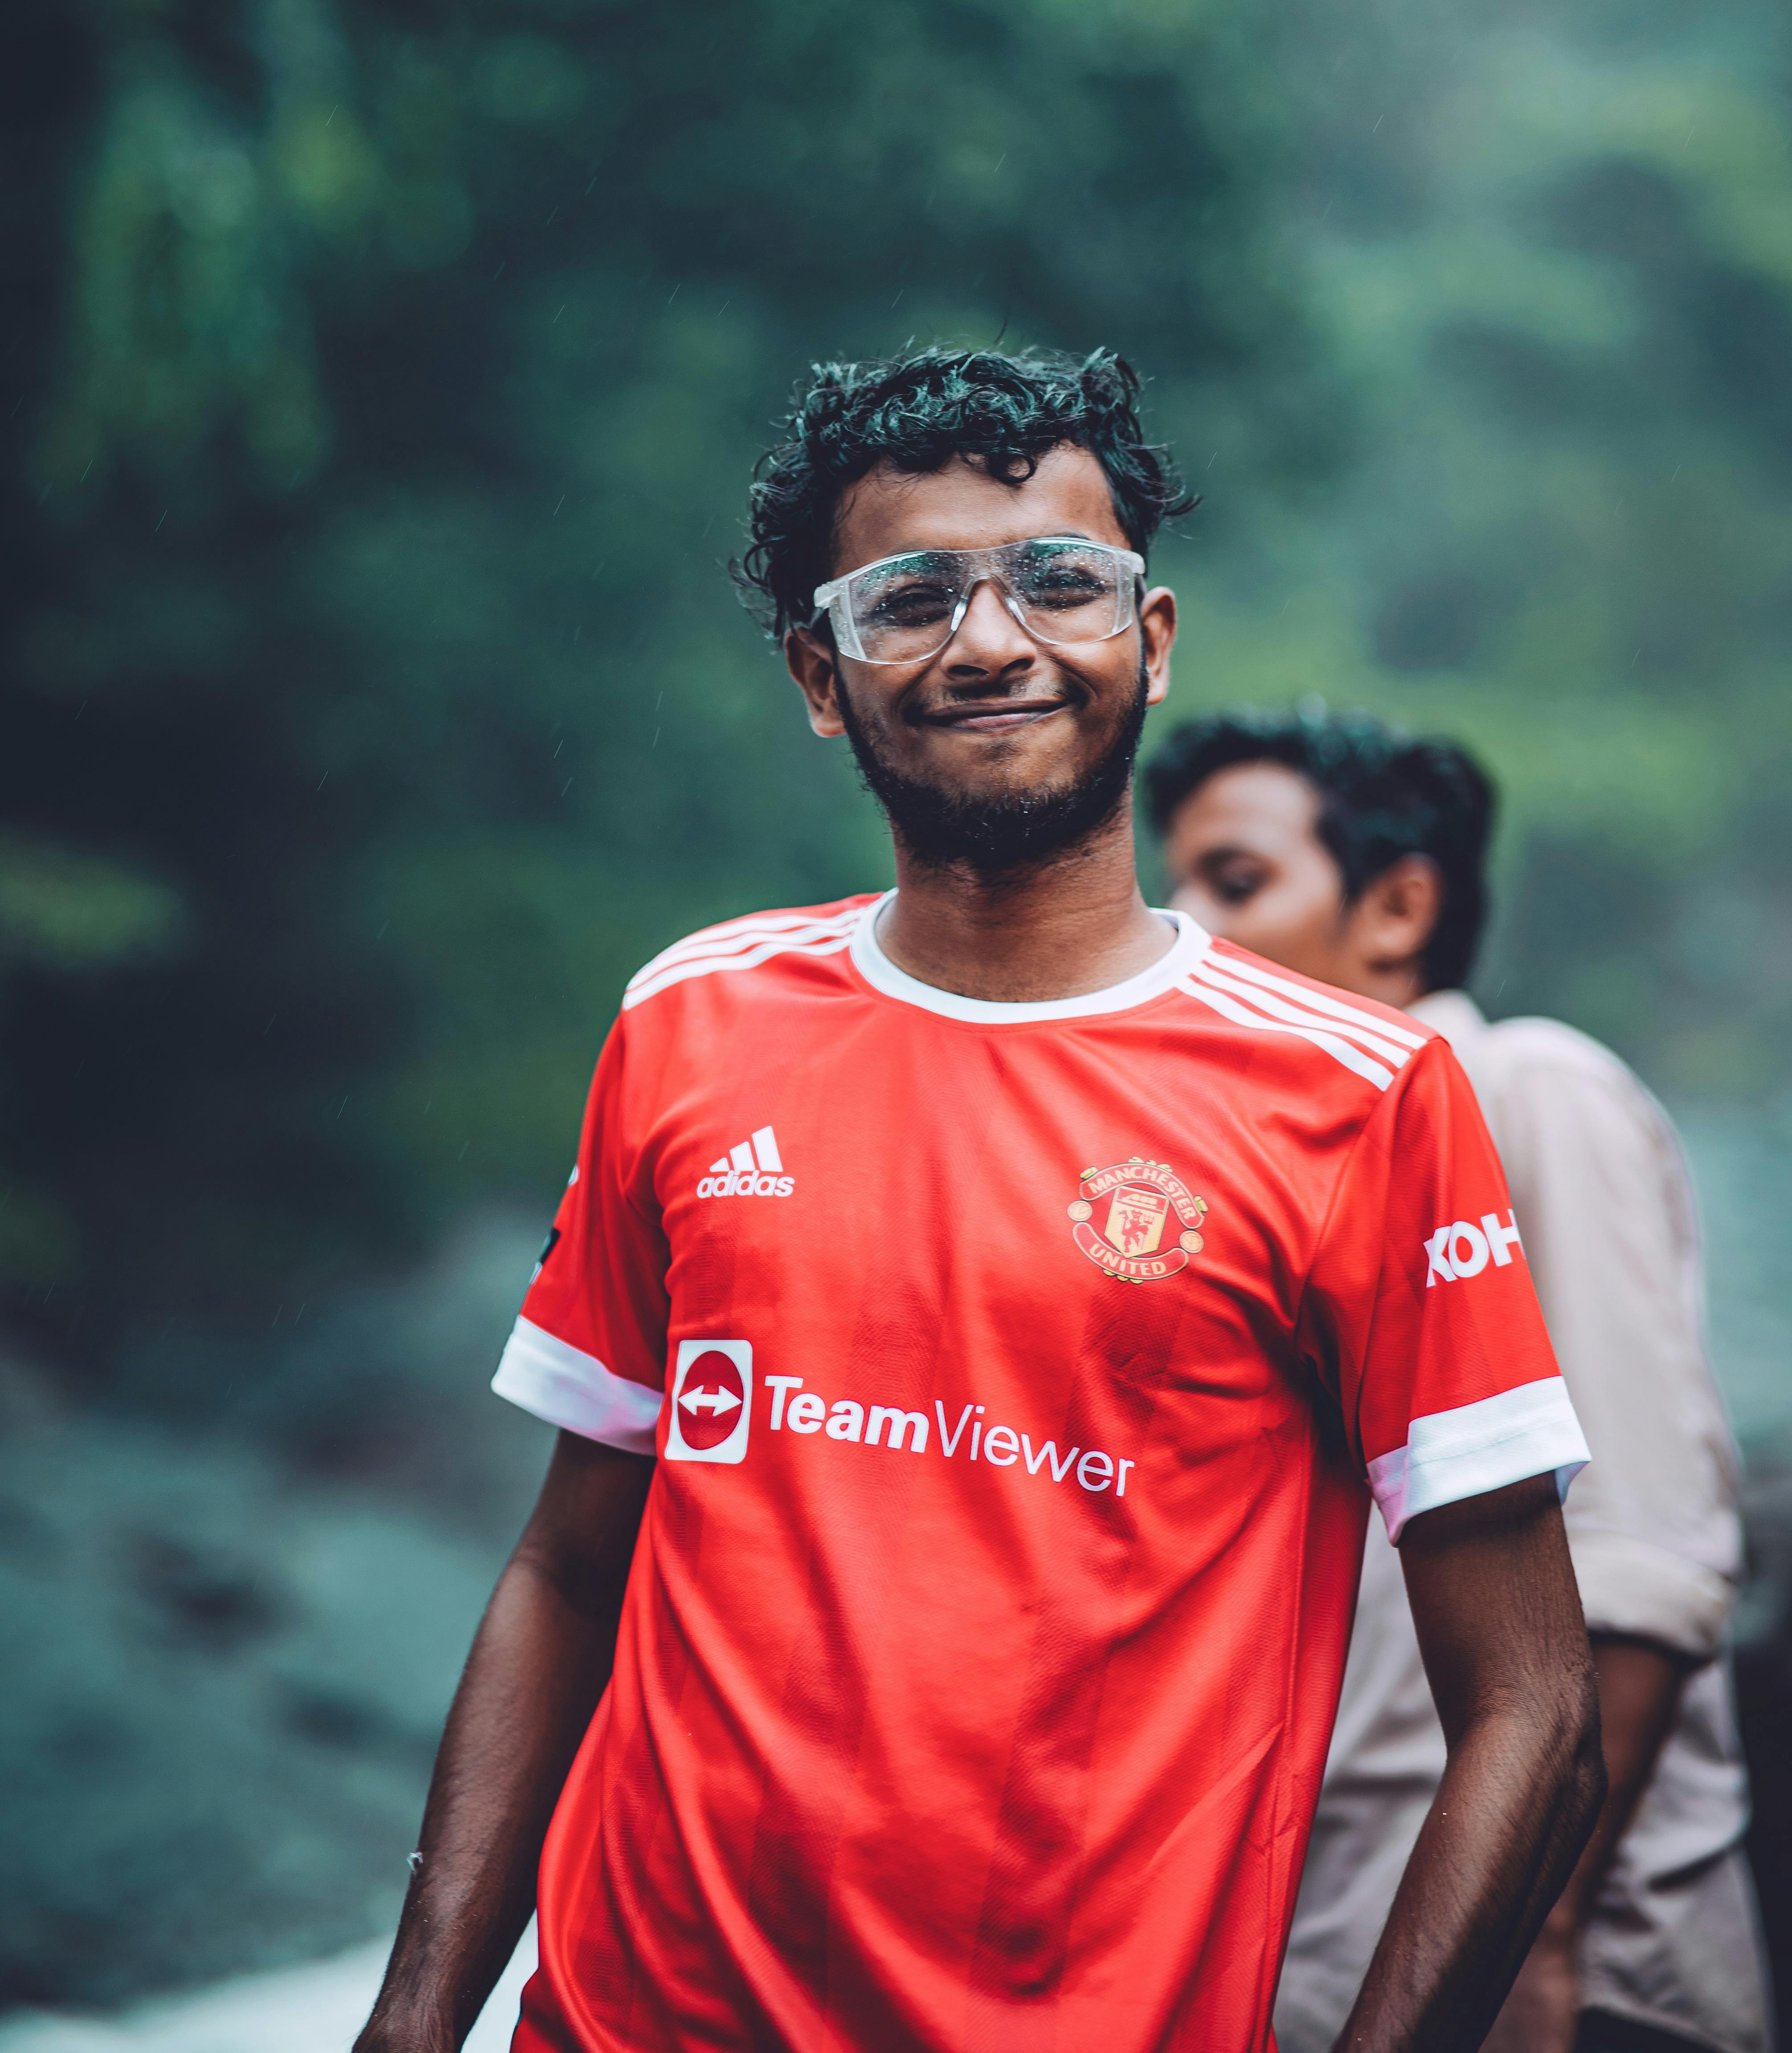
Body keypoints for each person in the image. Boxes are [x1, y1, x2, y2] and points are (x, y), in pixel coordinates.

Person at [356, 351, 1604, 2053]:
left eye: (1060, 582)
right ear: (821, 672)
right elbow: (574, 1568)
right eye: (912, 596)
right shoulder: (687, 1023)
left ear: (1150, 642)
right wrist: (417, 2010)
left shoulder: (1359, 1097)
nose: (994, 641)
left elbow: (1536, 1708)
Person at [1149, 706, 1772, 2053]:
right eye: (1177, 883)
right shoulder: (1289, 1185)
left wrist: (1536, 1943)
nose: (1182, 925)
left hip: (1571, 1990)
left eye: (1235, 881)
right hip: (1345, 1972)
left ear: (1399, 907)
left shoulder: (1526, 1091)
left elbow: (1647, 1563)